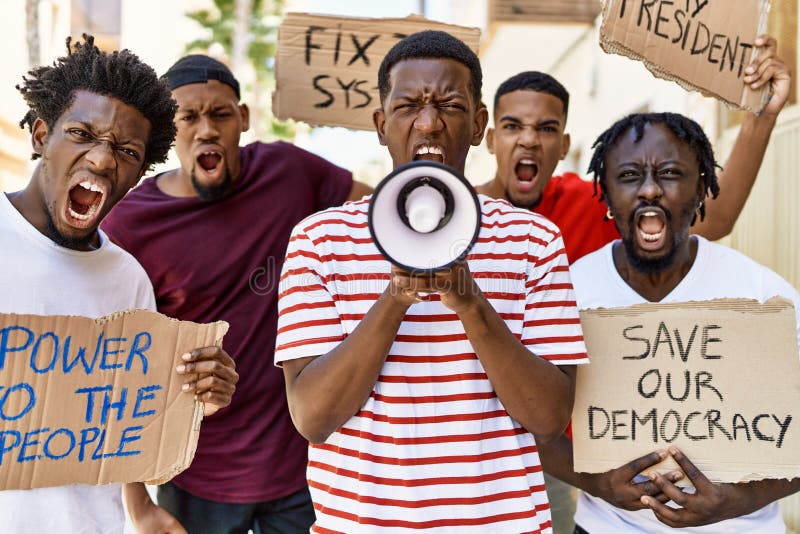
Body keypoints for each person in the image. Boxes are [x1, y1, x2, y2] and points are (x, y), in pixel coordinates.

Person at [274, 30, 589, 533]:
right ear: (381, 124)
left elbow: (549, 418)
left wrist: (470, 303)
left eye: (449, 104)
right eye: (408, 106)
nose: (429, 123)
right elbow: (312, 417)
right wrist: (396, 297)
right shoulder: (319, 240)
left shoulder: (534, 240)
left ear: (478, 124)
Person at [101, 54, 372, 533]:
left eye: (220, 114)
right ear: (168, 129)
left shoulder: (288, 172)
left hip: (304, 471)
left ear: (243, 119)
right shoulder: (130, 224)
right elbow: (115, 367)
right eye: (188, 117)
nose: (206, 129)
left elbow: (382, 213)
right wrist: (138, 504)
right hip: (194, 477)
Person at [0, 35, 237, 533]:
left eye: (126, 150)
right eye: (83, 134)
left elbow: (122, 423)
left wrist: (196, 396)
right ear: (42, 135)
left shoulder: (127, 278)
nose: (103, 160)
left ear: (138, 174)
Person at [538, 111, 800, 533]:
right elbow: (529, 424)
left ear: (701, 189)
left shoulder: (764, 295)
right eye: (628, 175)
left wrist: (742, 500)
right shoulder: (570, 291)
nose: (649, 189)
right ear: (604, 193)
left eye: (671, 173)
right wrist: (597, 484)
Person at [476, 35, 790, 263]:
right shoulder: (458, 211)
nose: (529, 140)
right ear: (490, 140)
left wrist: (760, 115)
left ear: (564, 146)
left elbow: (716, 218)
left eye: (546, 129)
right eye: (513, 126)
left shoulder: (590, 206)